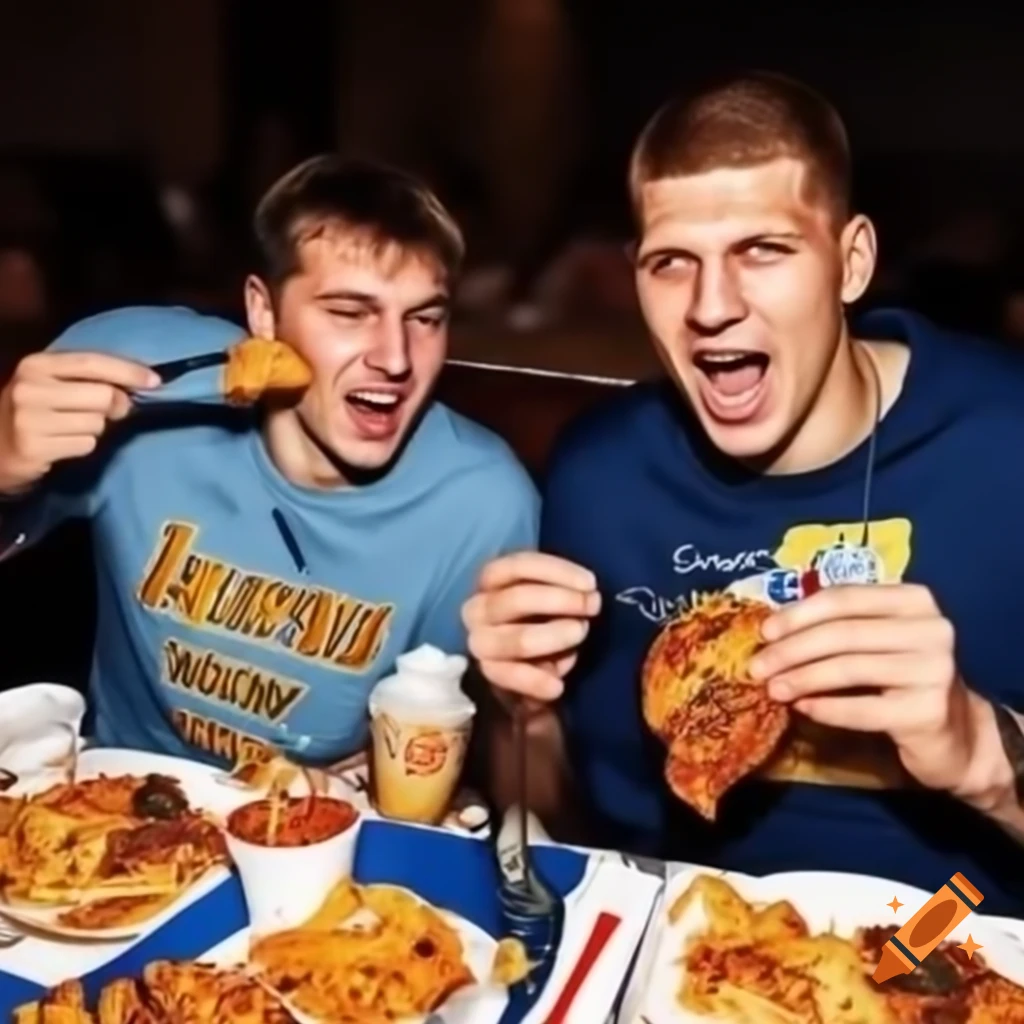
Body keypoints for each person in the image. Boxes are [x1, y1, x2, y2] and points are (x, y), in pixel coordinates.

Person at [462, 71, 1024, 914]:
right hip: (686, 938)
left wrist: (983, 751)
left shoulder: (1005, 444)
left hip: (951, 942)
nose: (711, 306)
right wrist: (522, 715)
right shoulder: (600, 477)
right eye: (672, 262)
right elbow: (569, 827)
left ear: (852, 262)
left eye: (763, 250)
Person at [0, 156, 538, 769]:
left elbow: (446, 744)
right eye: (349, 313)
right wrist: (2, 466)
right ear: (263, 311)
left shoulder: (481, 502)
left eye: (425, 318)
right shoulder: (128, 374)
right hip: (106, 796)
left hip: (312, 816)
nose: (396, 358)